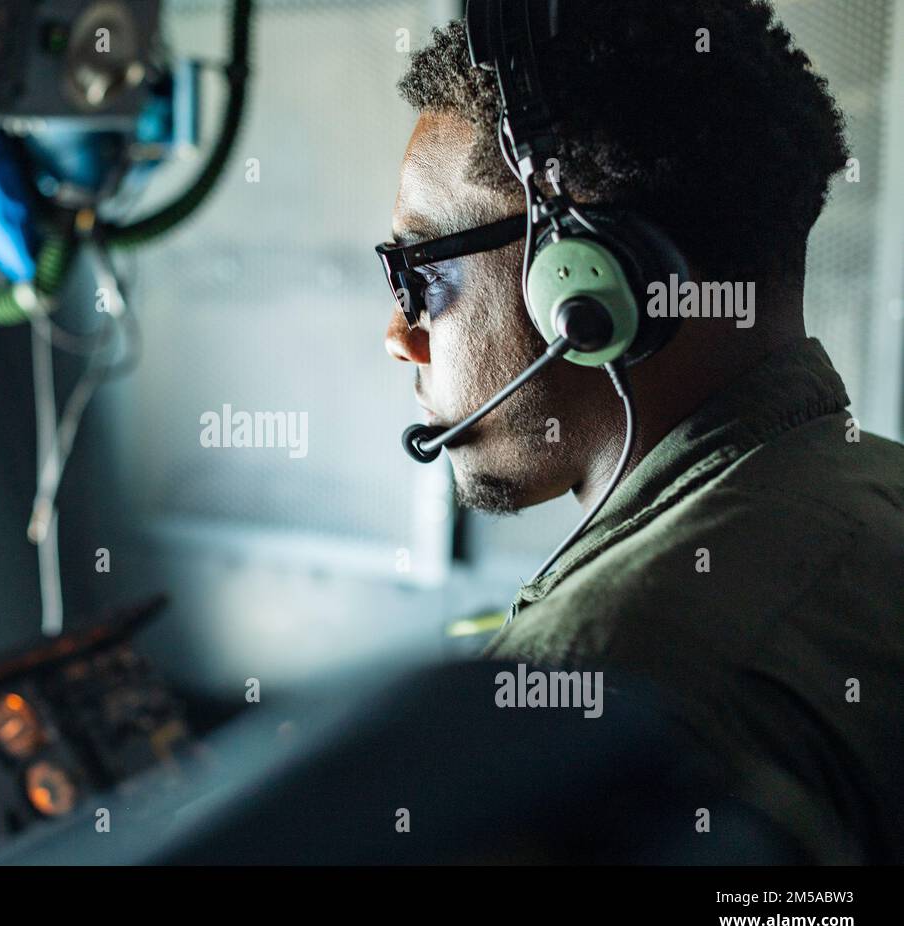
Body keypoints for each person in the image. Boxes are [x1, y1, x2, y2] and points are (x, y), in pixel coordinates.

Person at [381, 0, 904, 863]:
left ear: (586, 284)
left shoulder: (596, 691)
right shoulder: (877, 489)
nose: (399, 334)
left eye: (417, 269)